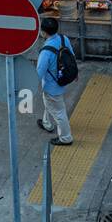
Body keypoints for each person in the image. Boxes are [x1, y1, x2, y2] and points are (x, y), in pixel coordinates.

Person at [36, 17, 76, 146]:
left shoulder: (46, 52)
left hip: (52, 86)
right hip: (63, 78)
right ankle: (46, 123)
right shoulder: (64, 39)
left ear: (44, 32)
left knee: (59, 112)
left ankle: (65, 137)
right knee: (49, 103)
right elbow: (72, 56)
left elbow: (39, 72)